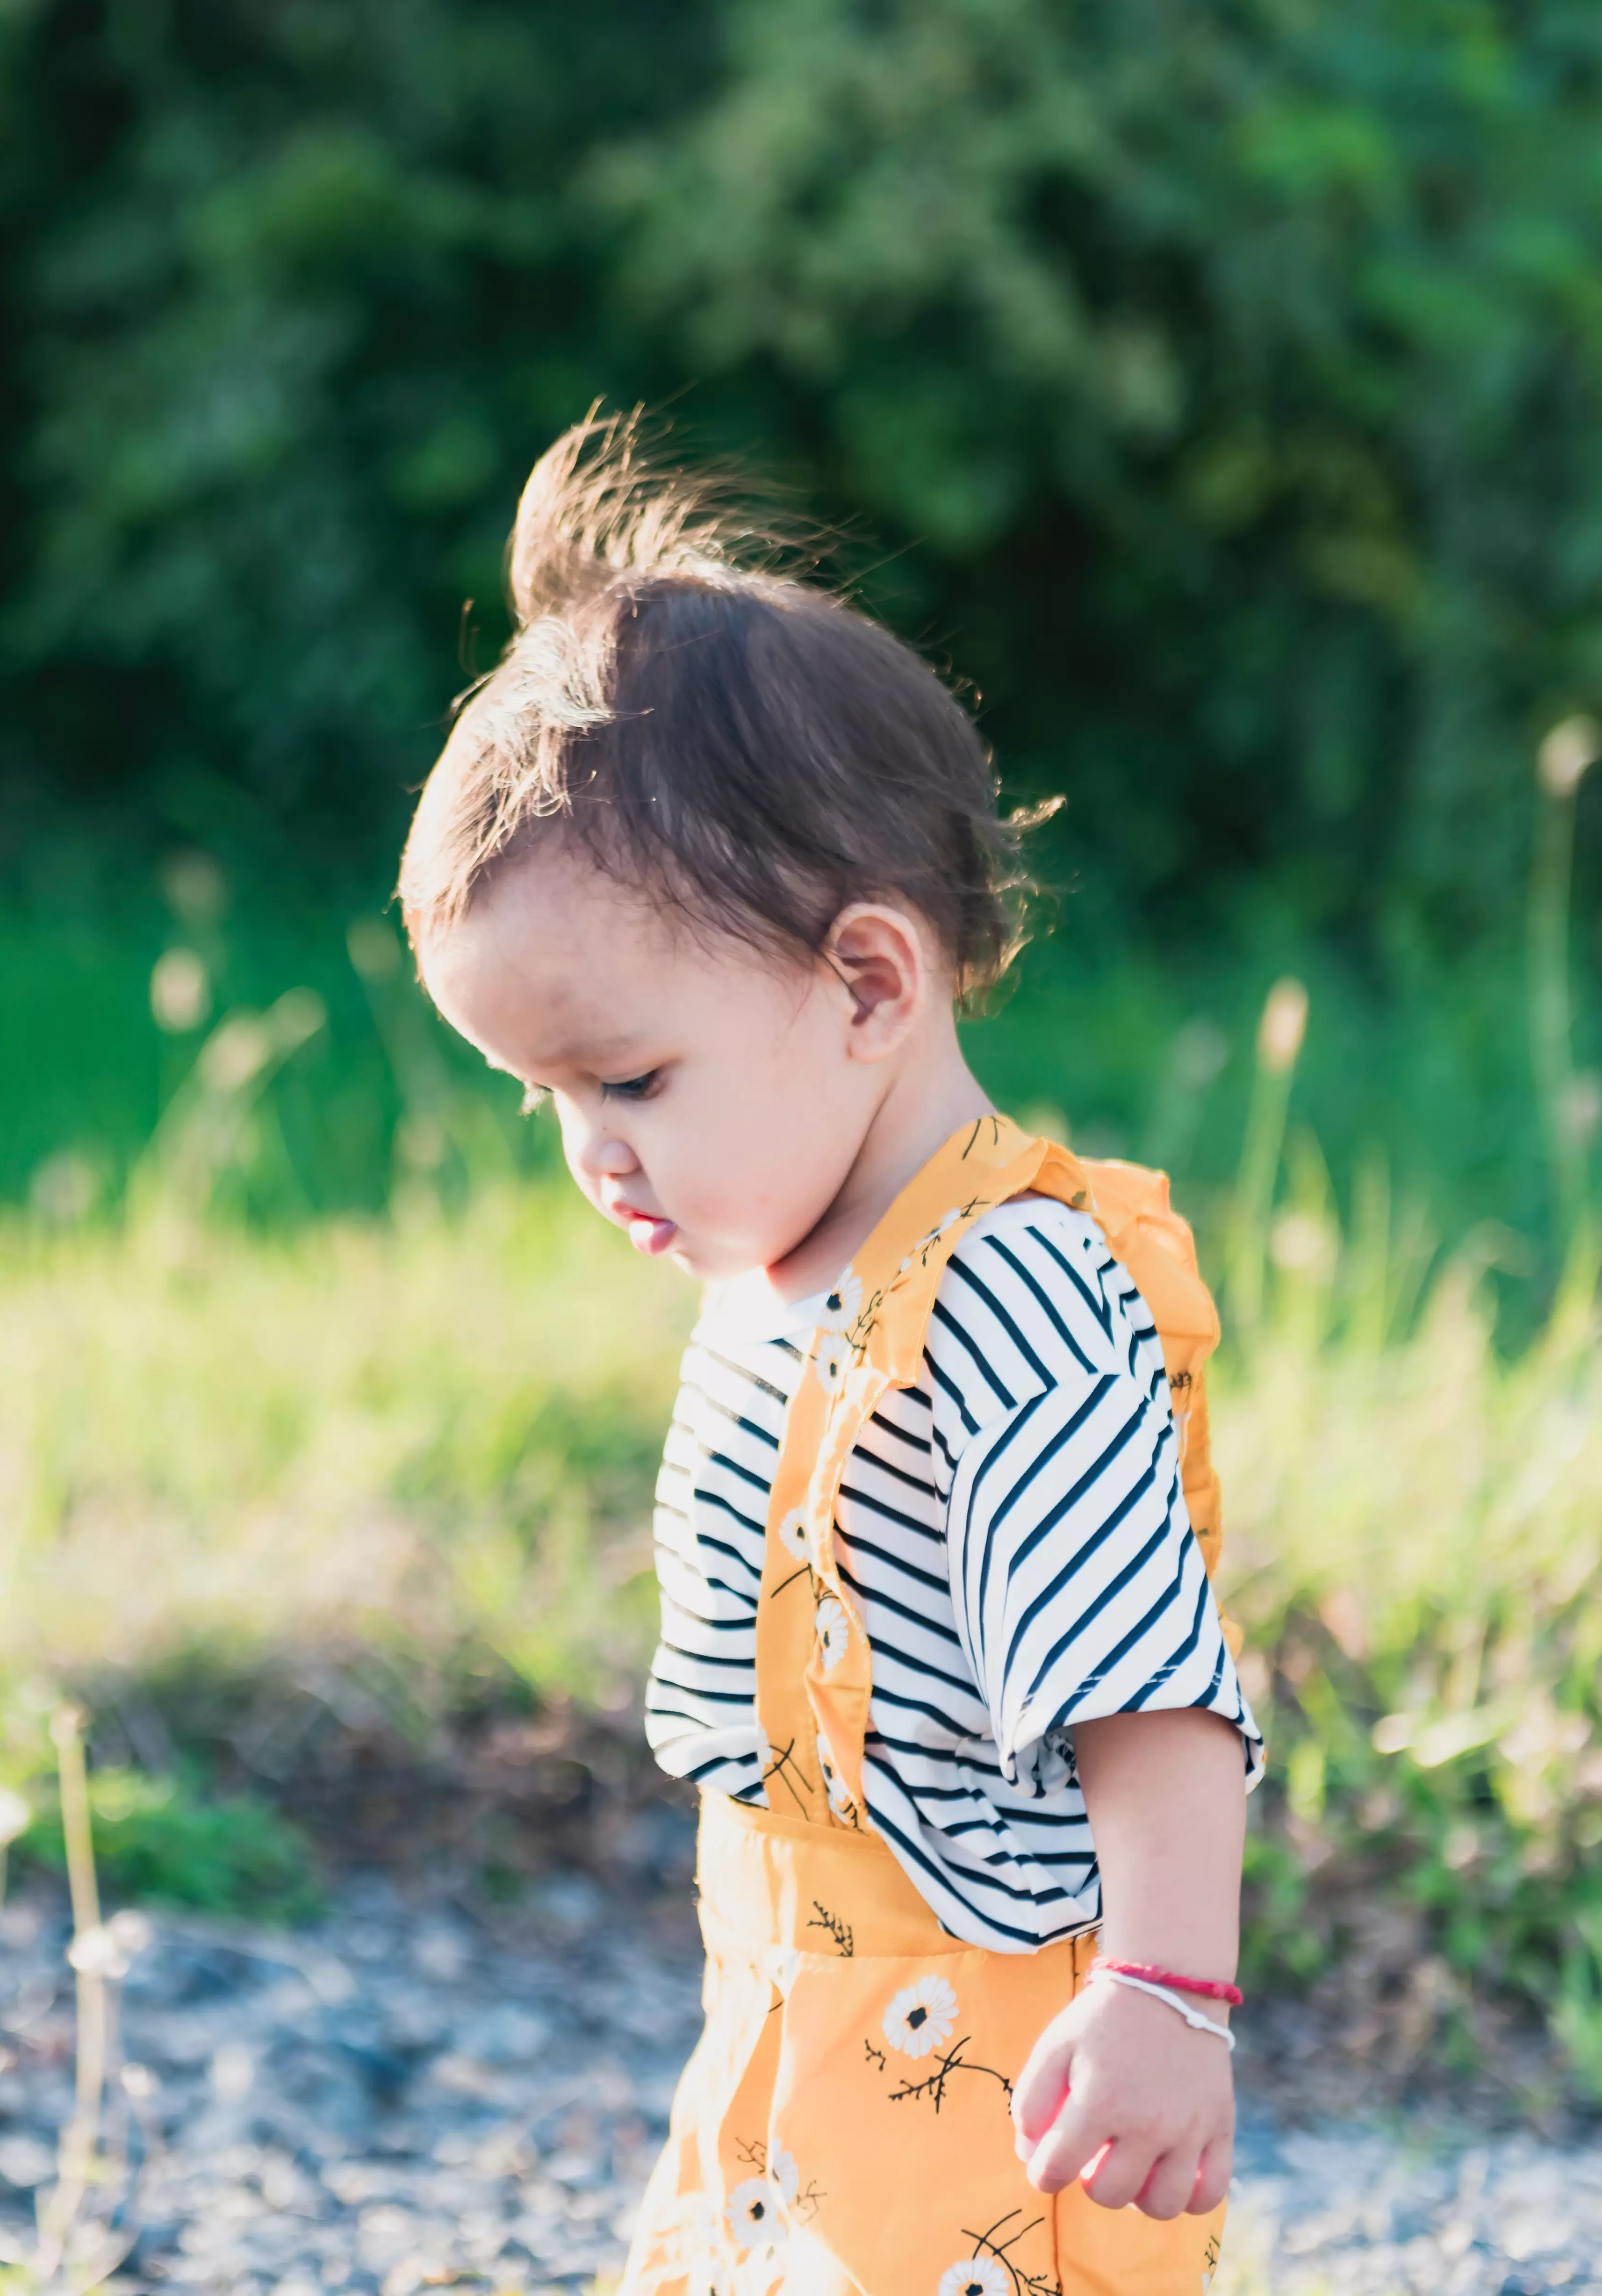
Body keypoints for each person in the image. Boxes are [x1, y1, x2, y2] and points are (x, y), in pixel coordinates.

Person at [398, 415, 1261, 2296]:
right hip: (784, 2028)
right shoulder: (773, 1265)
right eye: (542, 1096)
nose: (591, 1151)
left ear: (868, 982)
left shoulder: (1014, 1294)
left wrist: (1168, 1994)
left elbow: (1151, 1685)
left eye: (627, 1078)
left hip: (992, 2071)